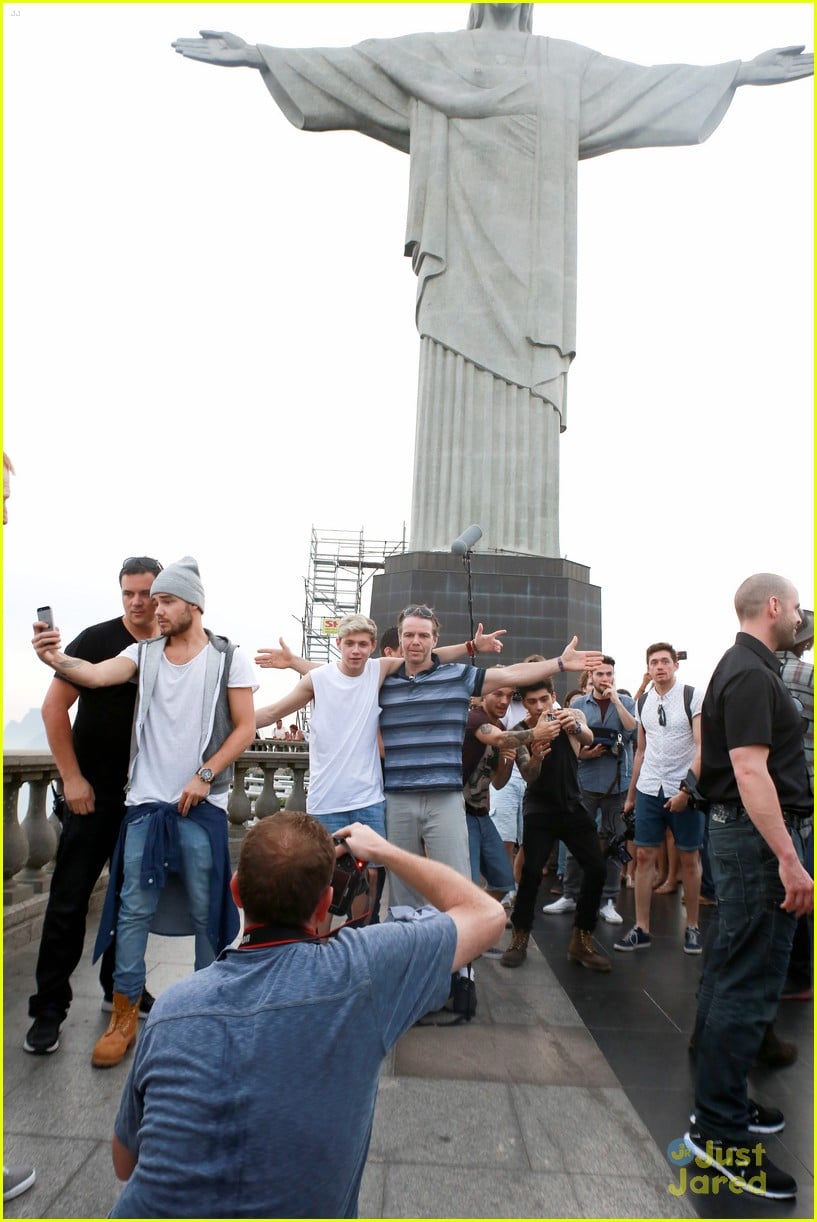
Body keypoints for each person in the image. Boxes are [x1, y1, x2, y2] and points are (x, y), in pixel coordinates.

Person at [172, 8, 812, 558]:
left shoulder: (565, 66)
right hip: (457, 267)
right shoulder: (433, 56)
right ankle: (446, 541)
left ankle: (522, 546)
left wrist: (737, 73)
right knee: (450, 389)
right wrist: (260, 56)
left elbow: (646, 88)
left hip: (534, 279)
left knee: (528, 400)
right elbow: (353, 69)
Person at [108, 812, 505, 1218]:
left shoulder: (171, 1009)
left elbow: (124, 1163)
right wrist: (384, 851)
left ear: (235, 892)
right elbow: (488, 915)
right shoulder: (361, 973)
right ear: (325, 903)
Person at [32, 556, 257, 1068]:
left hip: (200, 806)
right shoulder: (142, 652)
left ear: (193, 604)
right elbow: (92, 673)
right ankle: (123, 1013)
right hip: (142, 804)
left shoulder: (228, 658)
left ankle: (204, 1013)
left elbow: (243, 726)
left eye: (164, 600)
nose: (153, 608)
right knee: (130, 911)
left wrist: (204, 775)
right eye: (149, 599)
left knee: (206, 912)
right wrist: (55, 660)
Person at [380, 608, 602, 1007]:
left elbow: (510, 674)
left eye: (424, 635)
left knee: (459, 884)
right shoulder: (385, 676)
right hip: (397, 794)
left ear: (434, 639)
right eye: (408, 635)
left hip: (447, 796)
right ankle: (406, 967)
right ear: (399, 638)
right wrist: (294, 663)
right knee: (403, 888)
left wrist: (559, 663)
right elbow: (342, 673)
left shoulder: (459, 676)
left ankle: (461, 971)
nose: (416, 642)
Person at [684, 574, 814, 1200]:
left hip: (742, 837)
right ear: (773, 607)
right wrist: (790, 859)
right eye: (794, 608)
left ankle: (722, 1100)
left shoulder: (738, 667)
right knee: (749, 977)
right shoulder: (753, 673)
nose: (799, 618)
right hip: (758, 843)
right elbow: (748, 769)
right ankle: (720, 1132)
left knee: (734, 968)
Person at [24, 557, 163, 1057]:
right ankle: (47, 1011)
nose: (137, 602)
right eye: (129, 593)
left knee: (132, 902)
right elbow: (52, 707)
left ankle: (119, 988)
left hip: (146, 798)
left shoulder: (169, 647)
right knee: (68, 902)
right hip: (92, 797)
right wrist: (72, 777)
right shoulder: (96, 639)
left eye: (146, 592)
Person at [501, 678, 610, 973]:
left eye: (543, 700)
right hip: (539, 808)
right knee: (532, 872)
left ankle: (582, 939)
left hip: (573, 805)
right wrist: (536, 755)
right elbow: (528, 775)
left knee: (597, 868)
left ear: (553, 696)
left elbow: (588, 738)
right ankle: (519, 936)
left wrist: (572, 726)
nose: (539, 706)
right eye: (532, 702)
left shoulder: (571, 716)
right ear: (524, 703)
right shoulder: (521, 731)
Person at [615, 643, 704, 955]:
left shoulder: (692, 696)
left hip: (685, 789)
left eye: (666, 661)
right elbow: (640, 750)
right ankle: (641, 927)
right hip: (650, 788)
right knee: (642, 857)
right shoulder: (644, 703)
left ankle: (692, 927)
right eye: (654, 662)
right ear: (648, 668)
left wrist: (686, 791)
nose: (660, 667)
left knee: (690, 858)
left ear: (675, 665)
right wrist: (630, 796)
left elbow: (701, 746)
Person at [545, 656, 637, 925]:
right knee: (576, 840)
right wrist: (586, 752)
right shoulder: (577, 704)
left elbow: (631, 731)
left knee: (613, 843)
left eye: (609, 674)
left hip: (616, 784)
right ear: (590, 677)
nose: (605, 678)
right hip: (585, 781)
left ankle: (608, 900)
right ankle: (570, 894)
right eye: (600, 674)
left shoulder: (627, 703)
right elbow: (571, 741)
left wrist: (617, 701)